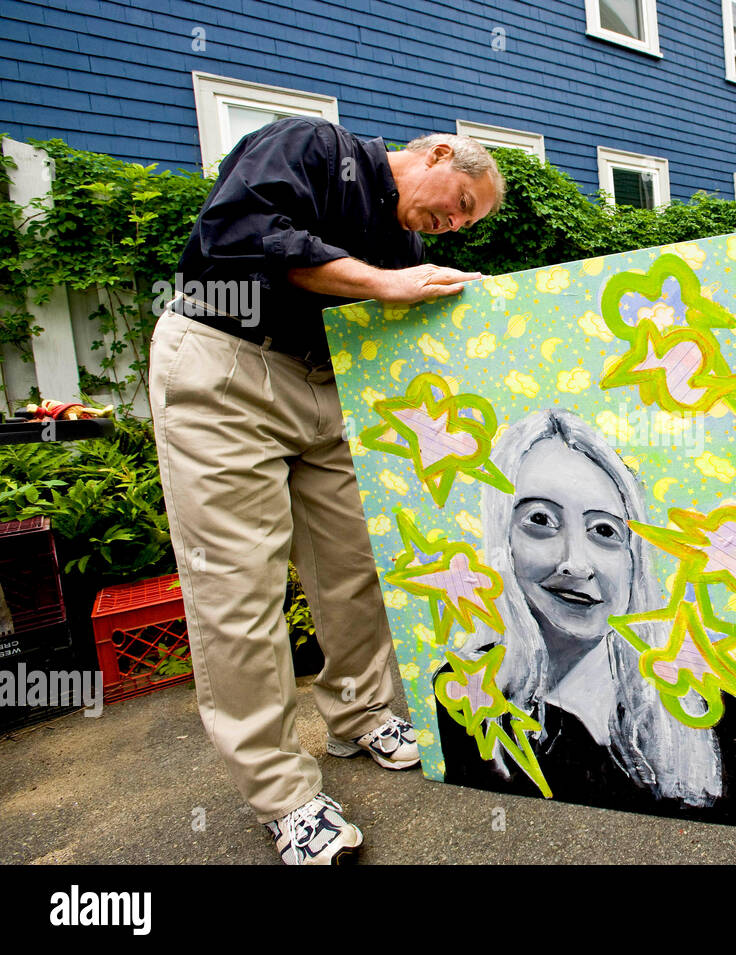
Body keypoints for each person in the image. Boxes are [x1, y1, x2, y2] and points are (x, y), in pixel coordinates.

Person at [149, 117, 504, 864]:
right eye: (463, 201)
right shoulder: (317, 148)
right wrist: (380, 283)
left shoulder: (405, 246)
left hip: (329, 384)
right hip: (226, 368)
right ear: (439, 151)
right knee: (239, 590)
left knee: (354, 566)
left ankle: (361, 713)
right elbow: (241, 230)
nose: (457, 223)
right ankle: (284, 793)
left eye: (468, 223)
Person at [436, 408, 736, 829]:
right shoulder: (466, 691)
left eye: (603, 531)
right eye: (540, 520)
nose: (576, 564)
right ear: (502, 539)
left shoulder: (707, 703)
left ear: (633, 559)